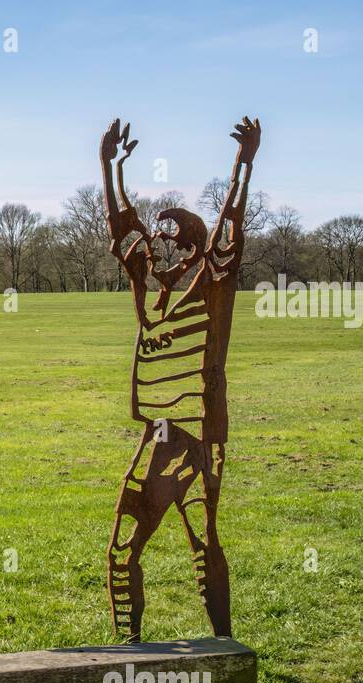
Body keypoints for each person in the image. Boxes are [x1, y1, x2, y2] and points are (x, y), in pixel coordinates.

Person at [99, 117, 260, 641]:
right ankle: (130, 650)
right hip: (159, 435)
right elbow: (124, 230)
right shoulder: (150, 291)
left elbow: (229, 226)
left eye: (164, 237)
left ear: (189, 247)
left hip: (197, 436)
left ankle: (223, 646)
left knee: (203, 545)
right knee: (123, 548)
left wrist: (243, 165)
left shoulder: (211, 283)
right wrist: (110, 168)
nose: (153, 245)